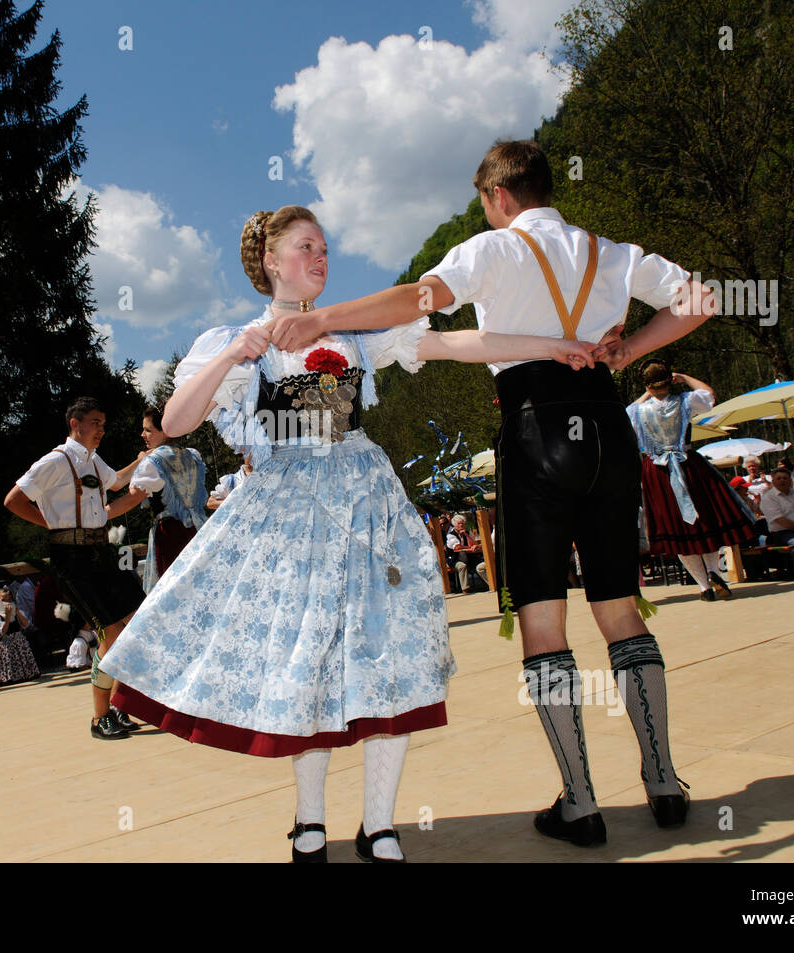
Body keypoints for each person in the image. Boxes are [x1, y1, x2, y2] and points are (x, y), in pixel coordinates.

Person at [99, 204, 598, 863]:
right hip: (294, 513)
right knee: (312, 664)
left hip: (369, 503)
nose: (322, 259)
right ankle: (309, 822)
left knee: (391, 656)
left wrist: (548, 347)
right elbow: (176, 417)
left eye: (327, 249)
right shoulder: (240, 339)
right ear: (272, 261)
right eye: (308, 247)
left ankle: (379, 823)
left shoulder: (361, 333)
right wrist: (229, 355)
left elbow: (454, 344)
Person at [269, 140, 719, 846]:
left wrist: (326, 318)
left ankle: (581, 800)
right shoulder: (610, 252)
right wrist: (627, 350)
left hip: (537, 430)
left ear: (498, 198)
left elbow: (419, 301)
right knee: (621, 611)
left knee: (544, 624)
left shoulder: (492, 250)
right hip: (607, 424)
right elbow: (702, 299)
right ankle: (663, 779)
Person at [3, 398, 146, 739]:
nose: (101, 429)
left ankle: (120, 705)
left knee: (134, 623)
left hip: (102, 553)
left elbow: (116, 483)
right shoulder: (55, 461)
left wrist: (143, 461)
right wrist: (50, 524)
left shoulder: (93, 462)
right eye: (96, 422)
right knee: (109, 633)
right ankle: (100, 718)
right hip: (72, 558)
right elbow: (13, 500)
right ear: (75, 424)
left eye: (103, 423)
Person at [627, 362, 754, 601]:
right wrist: (684, 377)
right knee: (704, 520)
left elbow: (626, 411)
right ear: (669, 380)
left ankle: (703, 586)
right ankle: (715, 572)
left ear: (646, 384)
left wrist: (646, 392)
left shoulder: (637, 412)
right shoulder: (685, 400)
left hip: (657, 470)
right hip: (687, 463)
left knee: (676, 529)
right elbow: (709, 394)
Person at [113, 406, 210, 591]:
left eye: (148, 430)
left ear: (165, 432)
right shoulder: (192, 455)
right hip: (199, 531)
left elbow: (132, 498)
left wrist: (103, 514)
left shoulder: (153, 462)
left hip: (170, 536)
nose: (143, 435)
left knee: (170, 592)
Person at [758, 465, 794, 580]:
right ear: (773, 481)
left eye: (785, 478)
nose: (782, 481)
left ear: (790, 480)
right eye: (779, 478)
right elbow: (780, 520)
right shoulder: (769, 498)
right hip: (782, 533)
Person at [0, 585, 39, 683]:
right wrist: (8, 618)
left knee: (22, 657)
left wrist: (17, 612)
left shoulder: (15, 611)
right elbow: (3, 631)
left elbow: (26, 624)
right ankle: (11, 677)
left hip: (19, 640)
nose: (7, 603)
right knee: (10, 660)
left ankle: (26, 673)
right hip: (7, 642)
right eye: (3, 600)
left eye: (9, 600)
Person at [445, 514, 485, 593]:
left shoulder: (467, 532)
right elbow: (457, 547)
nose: (461, 525)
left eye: (462, 523)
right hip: (454, 559)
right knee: (462, 566)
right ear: (454, 525)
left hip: (468, 557)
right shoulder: (450, 535)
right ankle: (465, 589)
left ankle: (487, 584)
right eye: (459, 523)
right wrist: (469, 548)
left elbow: (473, 544)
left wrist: (466, 535)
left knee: (479, 565)